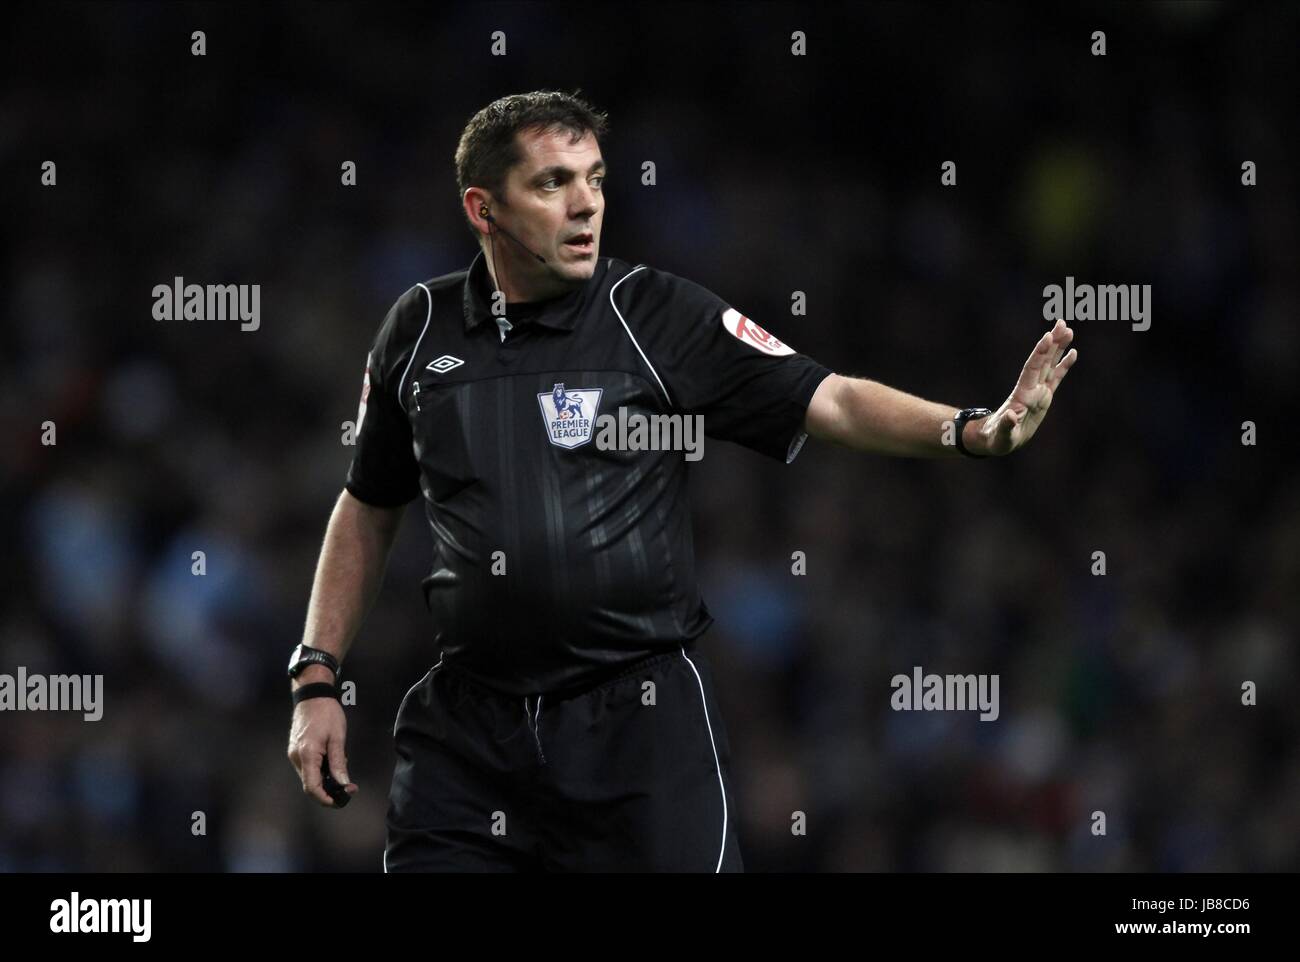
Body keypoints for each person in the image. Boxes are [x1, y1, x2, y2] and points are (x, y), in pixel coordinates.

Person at [285, 90, 1077, 872]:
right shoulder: (418, 331)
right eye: (553, 183)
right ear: (482, 208)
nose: (586, 205)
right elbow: (369, 502)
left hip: (637, 727)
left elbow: (828, 396)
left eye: (595, 178)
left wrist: (973, 430)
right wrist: (316, 674)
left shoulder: (652, 314)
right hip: (469, 734)